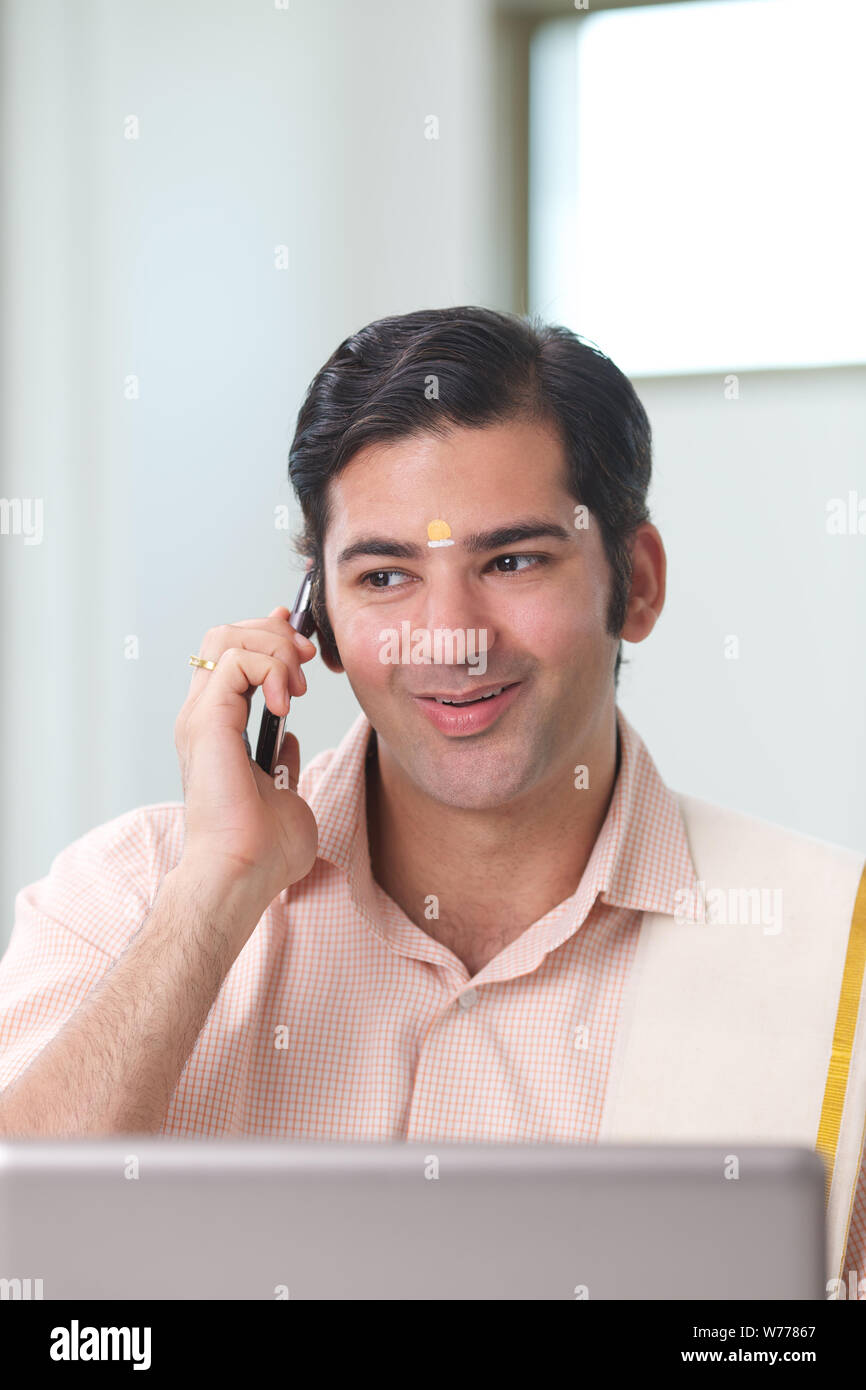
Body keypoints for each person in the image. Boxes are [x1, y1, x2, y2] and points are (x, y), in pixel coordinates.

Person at [0, 306, 863, 1295]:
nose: (447, 637)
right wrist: (215, 890)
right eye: (384, 575)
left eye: (512, 561)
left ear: (635, 584)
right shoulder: (126, 896)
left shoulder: (835, 947)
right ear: (314, 623)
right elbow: (17, 1256)